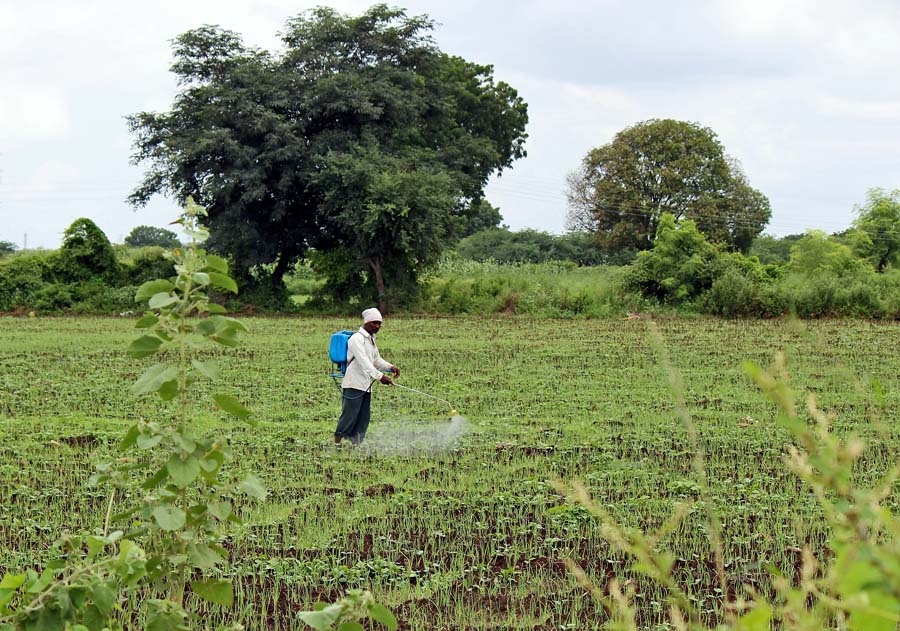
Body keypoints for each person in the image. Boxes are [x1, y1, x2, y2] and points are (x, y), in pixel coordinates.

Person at [334, 307, 400, 445]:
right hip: (353, 383)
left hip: (365, 385)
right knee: (349, 416)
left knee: (363, 418)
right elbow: (364, 361)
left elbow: (376, 360)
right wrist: (380, 376)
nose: (377, 326)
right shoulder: (356, 339)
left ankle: (355, 445)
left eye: (379, 323)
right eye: (374, 323)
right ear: (366, 322)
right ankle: (337, 444)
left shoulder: (371, 340)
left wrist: (390, 367)